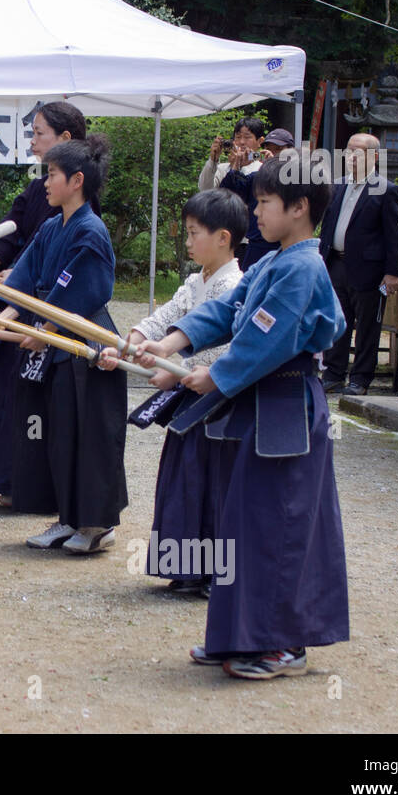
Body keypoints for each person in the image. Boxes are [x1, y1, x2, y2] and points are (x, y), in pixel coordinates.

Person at [132, 157, 348, 680]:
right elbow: (229, 312)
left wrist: (215, 375)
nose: (256, 212)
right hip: (258, 402)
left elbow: (267, 339)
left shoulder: (303, 267)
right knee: (241, 521)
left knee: (279, 523)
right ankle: (237, 635)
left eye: (265, 203)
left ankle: (283, 644)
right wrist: (174, 340)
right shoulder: (273, 261)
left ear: (298, 209)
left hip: (286, 406)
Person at [0, 135, 127, 555]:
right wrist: (0, 320)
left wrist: (39, 328)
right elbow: (23, 281)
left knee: (89, 436)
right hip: (53, 339)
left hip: (87, 343)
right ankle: (65, 517)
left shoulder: (91, 232)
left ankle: (97, 525)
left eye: (52, 174)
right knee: (55, 433)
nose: (45, 182)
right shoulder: (50, 226)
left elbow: (75, 293)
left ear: (76, 180)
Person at [107, 189, 246, 596]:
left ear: (223, 238)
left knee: (212, 483)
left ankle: (213, 573)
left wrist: (176, 371)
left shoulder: (234, 284)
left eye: (193, 233)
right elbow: (165, 317)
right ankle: (185, 568)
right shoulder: (194, 282)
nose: (186, 242)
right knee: (183, 478)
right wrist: (135, 337)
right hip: (190, 394)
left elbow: (225, 346)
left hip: (218, 399)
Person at [0, 101, 90, 507]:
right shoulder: (41, 191)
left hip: (55, 314)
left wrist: (41, 328)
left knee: (32, 402)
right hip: (25, 300)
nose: (32, 141)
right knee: (3, 392)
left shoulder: (83, 213)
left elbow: (74, 281)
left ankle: (31, 485)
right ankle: (7, 478)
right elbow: (17, 240)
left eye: (38, 133)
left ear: (65, 140)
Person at [318, 133, 398, 395]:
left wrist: (391, 272)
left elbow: (394, 235)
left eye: (358, 152)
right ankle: (333, 373)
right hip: (337, 263)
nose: (351, 157)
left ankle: (361, 378)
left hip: (369, 269)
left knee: (367, 325)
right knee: (337, 320)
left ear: (374, 157)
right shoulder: (337, 186)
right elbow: (328, 226)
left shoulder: (385, 190)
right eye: (349, 151)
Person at [215, 128, 291, 268]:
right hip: (256, 247)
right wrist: (237, 166)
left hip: (285, 247)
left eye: (278, 150)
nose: (273, 154)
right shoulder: (257, 177)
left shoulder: (298, 178)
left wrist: (273, 169)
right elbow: (226, 195)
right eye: (269, 149)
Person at [198, 117, 264, 193]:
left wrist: (236, 168)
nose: (242, 142)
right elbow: (205, 190)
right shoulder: (222, 168)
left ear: (259, 141)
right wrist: (213, 160)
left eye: (247, 137)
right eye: (238, 137)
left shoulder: (263, 169)